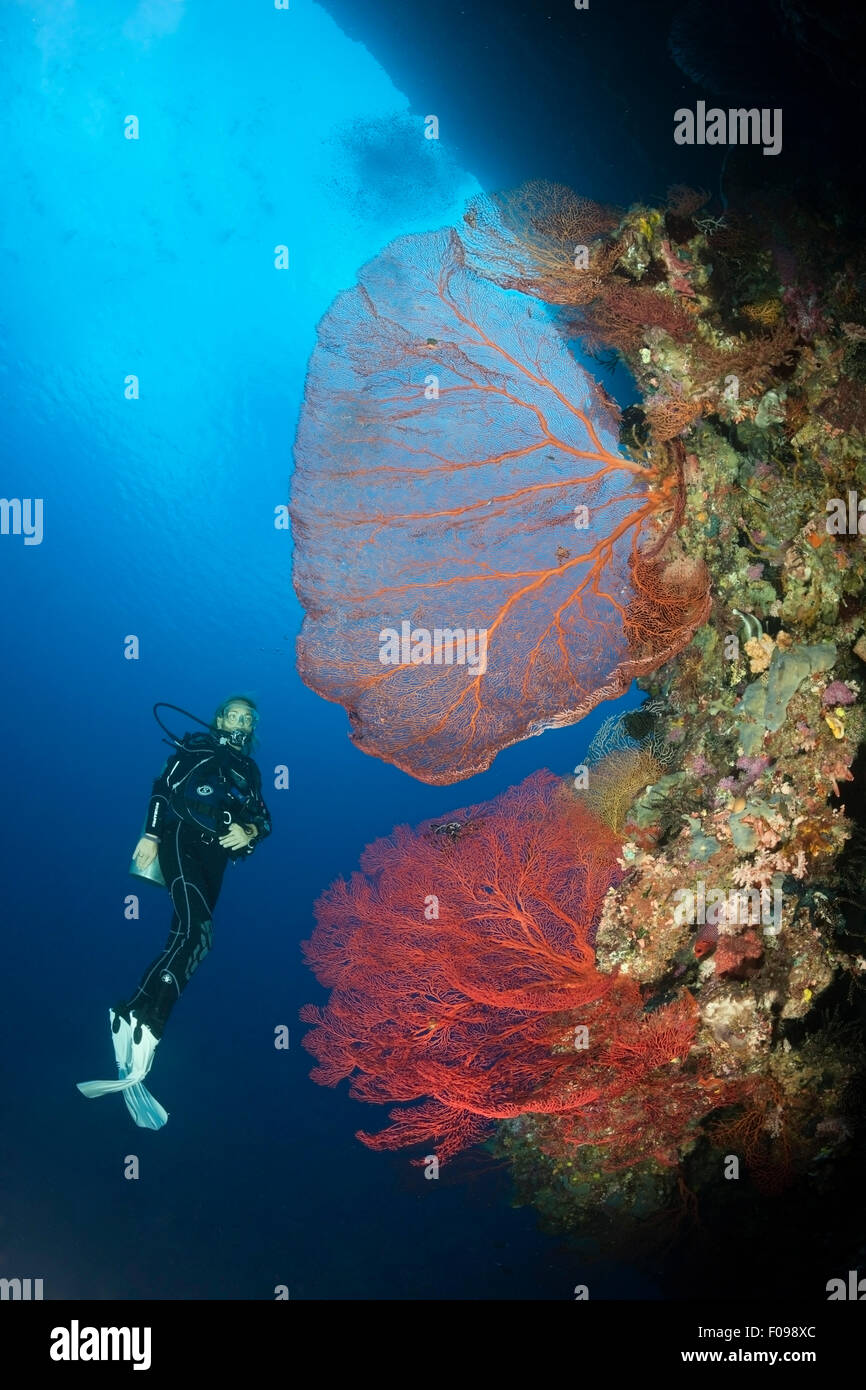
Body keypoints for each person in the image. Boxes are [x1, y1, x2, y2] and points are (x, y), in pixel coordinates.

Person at [77, 697, 271, 1128]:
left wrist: (249, 830)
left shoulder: (250, 771)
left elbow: (265, 818)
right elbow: (163, 788)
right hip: (180, 838)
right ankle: (153, 1023)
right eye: (233, 714)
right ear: (220, 718)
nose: (239, 722)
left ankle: (131, 1012)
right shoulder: (197, 748)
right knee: (198, 933)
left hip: (215, 860)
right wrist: (149, 834)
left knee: (186, 938)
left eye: (247, 718)